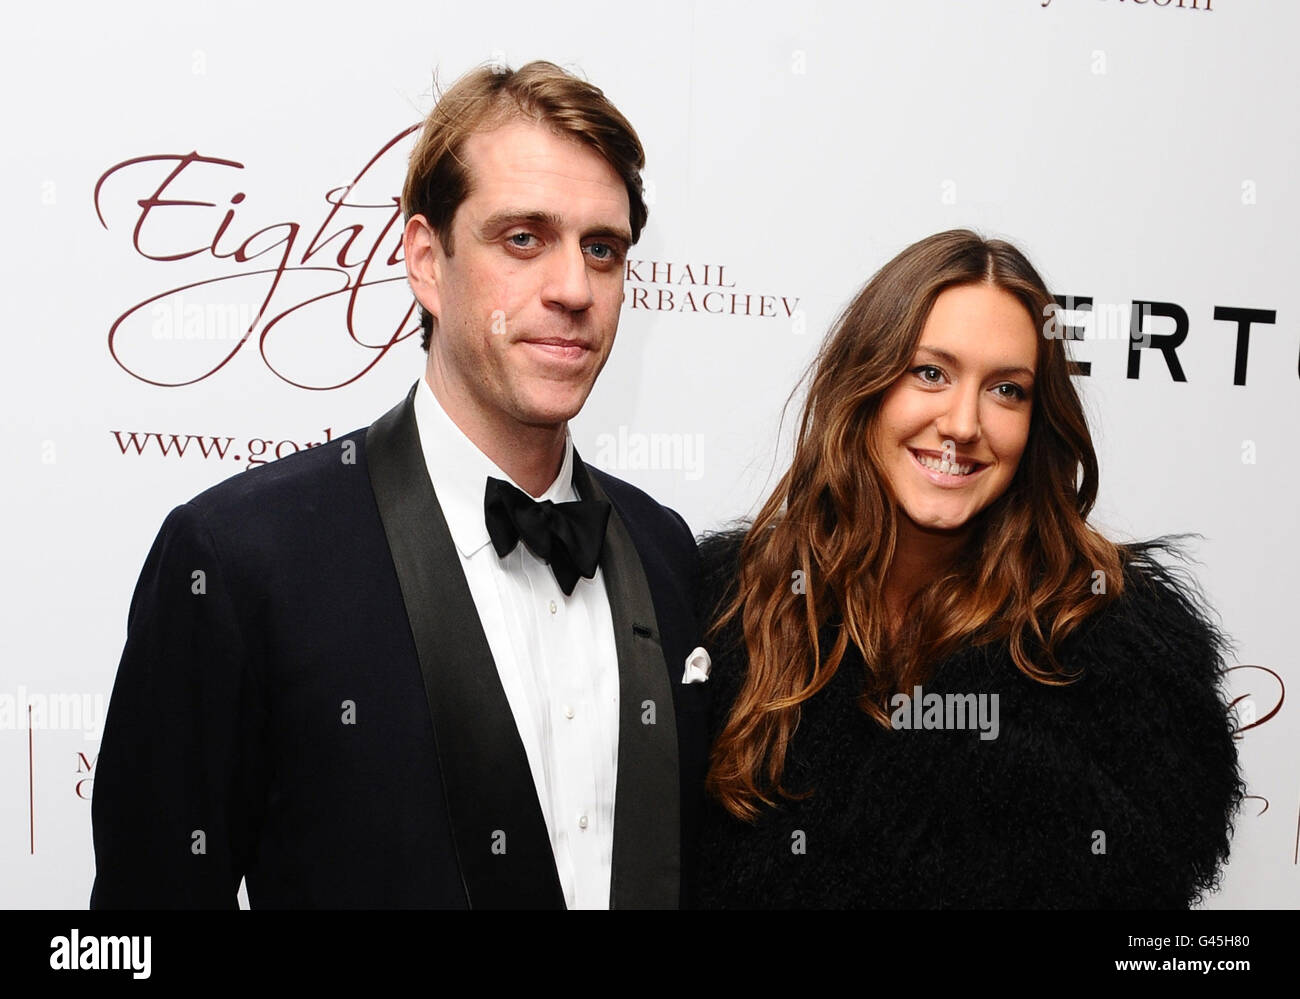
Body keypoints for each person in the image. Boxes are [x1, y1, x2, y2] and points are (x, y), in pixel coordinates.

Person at [90, 61, 709, 910]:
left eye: (601, 249)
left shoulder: (667, 551)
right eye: (523, 238)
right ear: (426, 259)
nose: (573, 289)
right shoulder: (239, 559)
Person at [695, 230, 1243, 909]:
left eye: (1006, 389)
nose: (962, 423)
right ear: (864, 384)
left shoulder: (1108, 643)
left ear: (1037, 422)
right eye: (931, 373)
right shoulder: (734, 604)